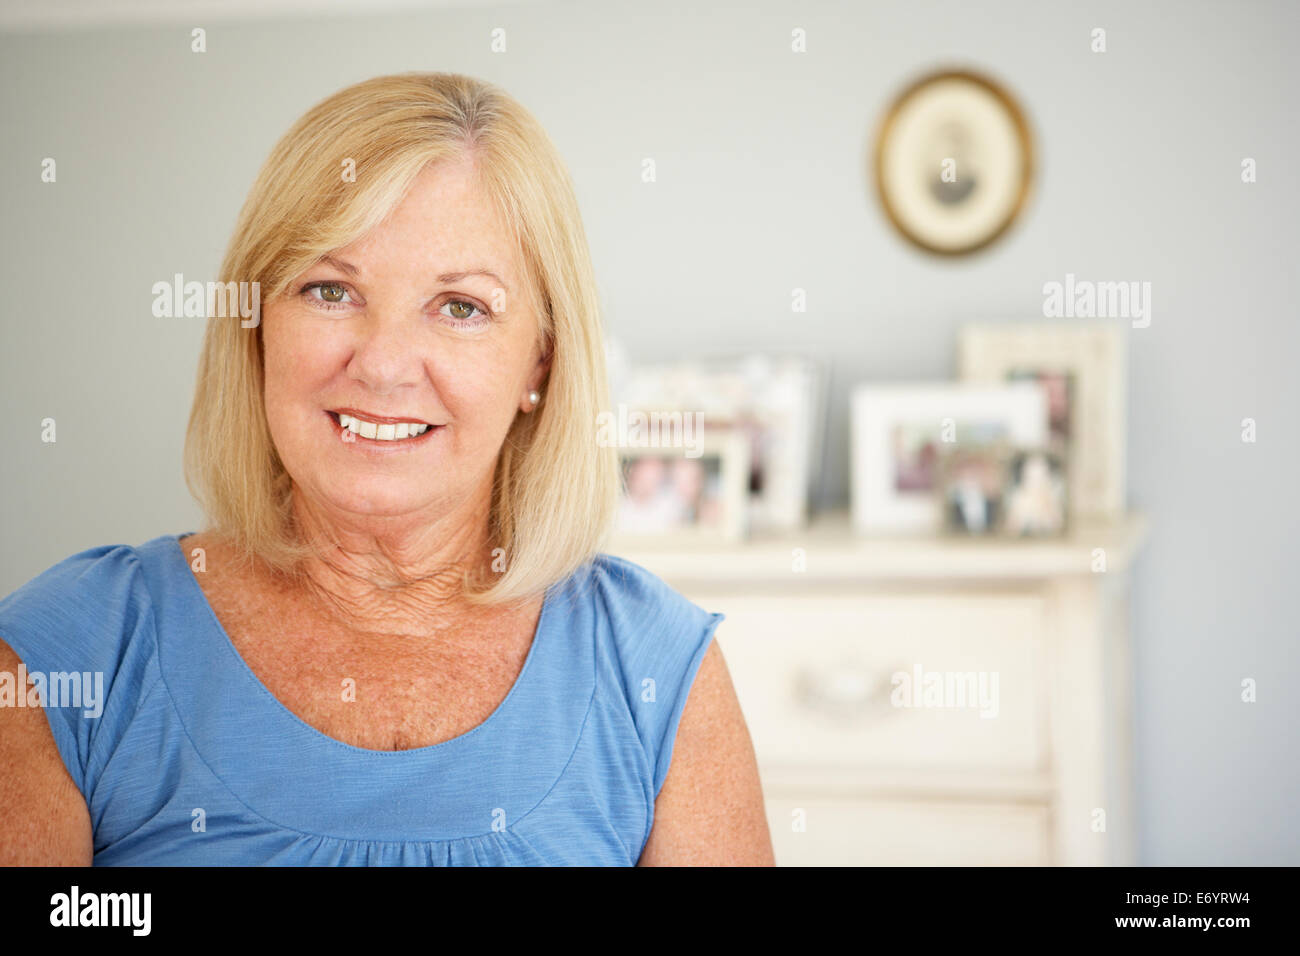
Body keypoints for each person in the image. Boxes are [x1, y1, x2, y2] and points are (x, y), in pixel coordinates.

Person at [0, 72, 773, 866]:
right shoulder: (65, 658)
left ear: (539, 362)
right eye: (330, 289)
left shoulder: (659, 671)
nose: (384, 364)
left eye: (461, 307)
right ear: (257, 325)